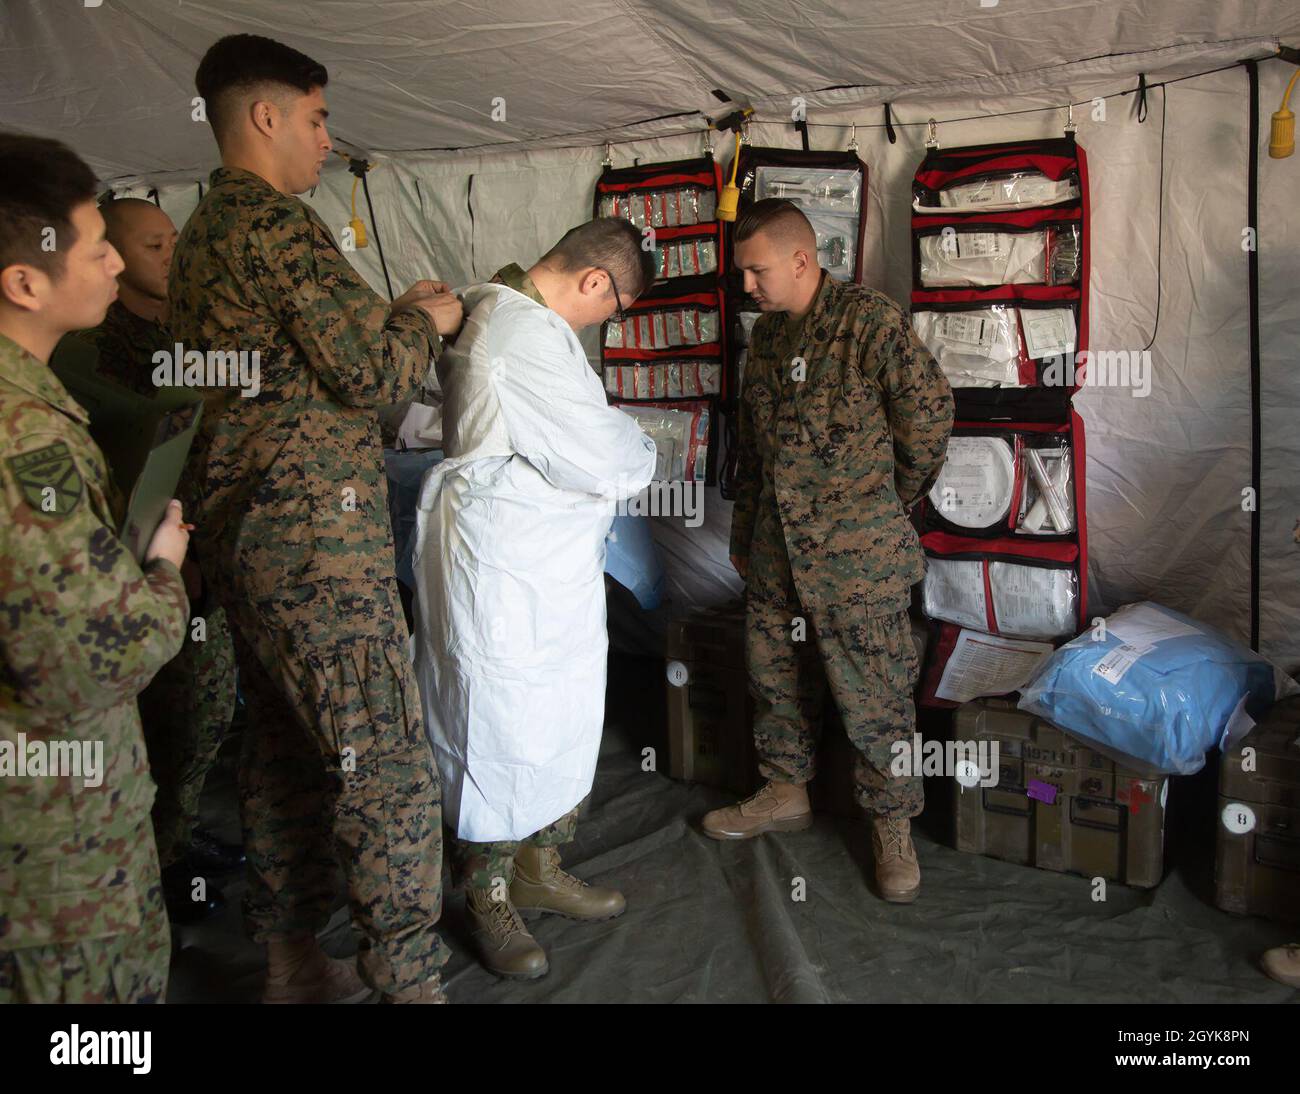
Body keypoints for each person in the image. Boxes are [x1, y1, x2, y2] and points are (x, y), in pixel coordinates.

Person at [169, 33, 463, 1004]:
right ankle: (408, 977)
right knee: (383, 760)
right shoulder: (277, 226)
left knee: (288, 749)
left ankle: (292, 959)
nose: (328, 141)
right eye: (317, 117)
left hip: (247, 537)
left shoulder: (205, 235)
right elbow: (368, 372)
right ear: (265, 116)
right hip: (314, 546)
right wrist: (426, 316)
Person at [413, 220, 657, 979]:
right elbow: (603, 455)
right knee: (495, 720)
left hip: (544, 565)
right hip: (502, 567)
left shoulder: (531, 325)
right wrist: (642, 446)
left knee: (561, 706)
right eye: (614, 306)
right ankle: (484, 889)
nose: (607, 321)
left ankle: (537, 867)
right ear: (594, 283)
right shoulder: (519, 332)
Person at [701, 199, 953, 904]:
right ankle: (785, 790)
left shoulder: (868, 323)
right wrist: (746, 534)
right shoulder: (769, 343)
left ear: (802, 260)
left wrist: (885, 498)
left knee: (876, 697)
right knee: (774, 676)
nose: (747, 286)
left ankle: (892, 825)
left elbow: (929, 417)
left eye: (756, 271)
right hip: (777, 552)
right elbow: (753, 452)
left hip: (858, 555)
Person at [0, 132, 192, 1002]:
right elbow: (89, 660)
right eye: (96, 245)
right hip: (53, 867)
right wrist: (161, 572)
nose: (115, 259)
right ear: (25, 281)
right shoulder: (24, 436)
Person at [79, 197, 243, 926]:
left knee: (202, 713)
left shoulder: (189, 328)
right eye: (152, 246)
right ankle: (156, 857)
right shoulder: (93, 345)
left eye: (173, 241)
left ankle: (171, 838)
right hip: (141, 562)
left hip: (196, 552)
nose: (170, 257)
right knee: (167, 714)